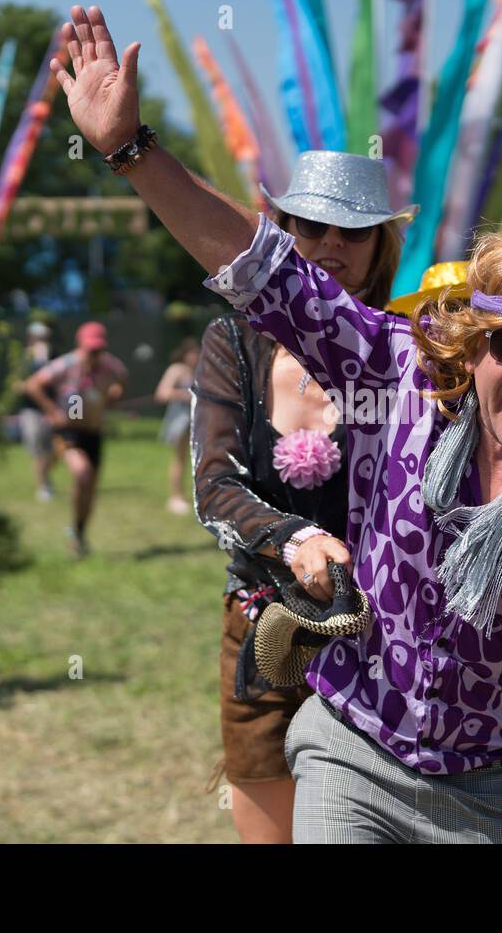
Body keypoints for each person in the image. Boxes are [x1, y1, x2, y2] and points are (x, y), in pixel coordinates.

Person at [54, 4, 502, 842]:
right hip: (352, 748)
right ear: (473, 344)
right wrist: (131, 151)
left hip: (491, 789)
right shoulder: (402, 371)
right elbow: (261, 267)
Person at [192, 149, 413, 843]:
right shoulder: (233, 340)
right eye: (311, 226)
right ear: (284, 231)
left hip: (380, 636)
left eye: (354, 232)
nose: (330, 245)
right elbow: (215, 485)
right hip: (263, 630)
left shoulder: (406, 349)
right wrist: (294, 537)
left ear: (381, 245)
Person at [24, 321, 128, 556]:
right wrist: (52, 411)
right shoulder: (65, 364)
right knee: (82, 472)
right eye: (91, 349)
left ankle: (78, 533)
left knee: (89, 489)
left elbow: (123, 378)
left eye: (99, 349)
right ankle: (48, 472)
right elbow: (33, 385)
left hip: (93, 432)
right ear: (80, 345)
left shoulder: (110, 365)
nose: (95, 354)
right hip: (68, 430)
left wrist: (114, 394)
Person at [156, 337, 199, 516]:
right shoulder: (177, 369)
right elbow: (162, 393)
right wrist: (184, 394)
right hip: (179, 421)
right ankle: (175, 497)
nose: (197, 356)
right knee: (180, 458)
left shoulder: (199, 370)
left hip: (197, 420)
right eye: (194, 353)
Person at [17, 321, 57, 501]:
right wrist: (32, 385)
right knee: (38, 450)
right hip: (32, 411)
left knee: (55, 450)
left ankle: (45, 478)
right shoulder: (24, 360)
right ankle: (43, 485)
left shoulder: (54, 357)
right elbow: (16, 384)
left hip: (52, 410)